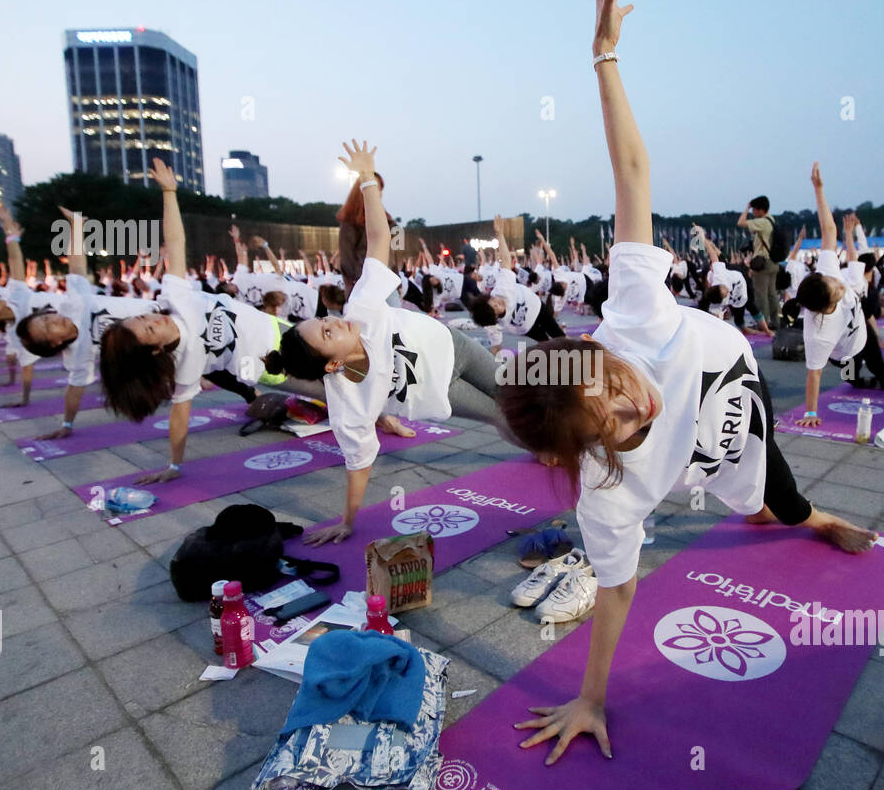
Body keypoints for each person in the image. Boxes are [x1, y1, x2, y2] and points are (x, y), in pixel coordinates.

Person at [502, 0, 879, 766]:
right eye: (620, 423)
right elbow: (617, 590)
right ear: (590, 453)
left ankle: (806, 514)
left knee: (776, 500)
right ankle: (788, 513)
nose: (639, 404)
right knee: (753, 502)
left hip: (736, 386)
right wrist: (591, 699)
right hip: (704, 454)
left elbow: (632, 175)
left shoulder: (632, 313)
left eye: (617, 387)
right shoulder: (605, 500)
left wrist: (604, 59)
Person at [273, 140, 509, 545]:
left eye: (325, 320)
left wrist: (368, 179)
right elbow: (359, 464)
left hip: (456, 347)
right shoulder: (347, 404)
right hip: (442, 389)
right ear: (331, 366)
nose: (335, 322)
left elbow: (380, 240)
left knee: (514, 389)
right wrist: (347, 522)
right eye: (328, 332)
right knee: (502, 417)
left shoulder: (361, 308)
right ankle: (547, 446)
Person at [97, 158, 322, 484]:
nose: (152, 320)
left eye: (144, 318)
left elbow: (175, 243)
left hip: (283, 330)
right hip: (275, 368)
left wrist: (170, 192)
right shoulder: (185, 362)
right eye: (148, 330)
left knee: (349, 361)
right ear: (156, 350)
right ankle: (381, 415)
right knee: (333, 390)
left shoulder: (175, 297)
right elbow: (180, 416)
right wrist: (174, 466)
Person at [14, 203, 159, 436]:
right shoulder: (77, 356)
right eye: (47, 328)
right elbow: (74, 389)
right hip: (160, 338)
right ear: (52, 344)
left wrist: (77, 225)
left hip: (162, 309)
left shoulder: (74, 303)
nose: (54, 320)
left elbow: (77, 264)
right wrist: (67, 424)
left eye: (47, 318)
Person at [794, 163, 884, 430]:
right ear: (826, 306)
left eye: (836, 283)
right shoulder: (818, 333)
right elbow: (814, 373)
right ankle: (856, 378)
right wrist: (810, 412)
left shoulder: (825, 274)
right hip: (844, 349)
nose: (841, 286)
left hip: (858, 327)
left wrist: (819, 190)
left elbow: (828, 231)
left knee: (874, 352)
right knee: (851, 375)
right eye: (837, 291)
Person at [469, 215, 565, 344]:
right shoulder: (495, 324)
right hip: (525, 327)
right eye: (496, 307)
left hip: (536, 307)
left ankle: (577, 355)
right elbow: (495, 344)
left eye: (493, 300)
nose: (499, 302)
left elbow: (506, 261)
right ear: (495, 317)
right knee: (545, 343)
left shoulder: (503, 288)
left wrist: (500, 235)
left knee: (559, 336)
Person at [738, 194, 780, 330]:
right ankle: (776, 320)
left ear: (760, 209)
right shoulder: (772, 220)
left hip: (762, 262)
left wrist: (746, 208)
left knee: (760, 294)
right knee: (772, 293)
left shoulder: (762, 222)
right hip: (773, 261)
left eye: (754, 210)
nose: (753, 213)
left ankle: (763, 323)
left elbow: (741, 223)